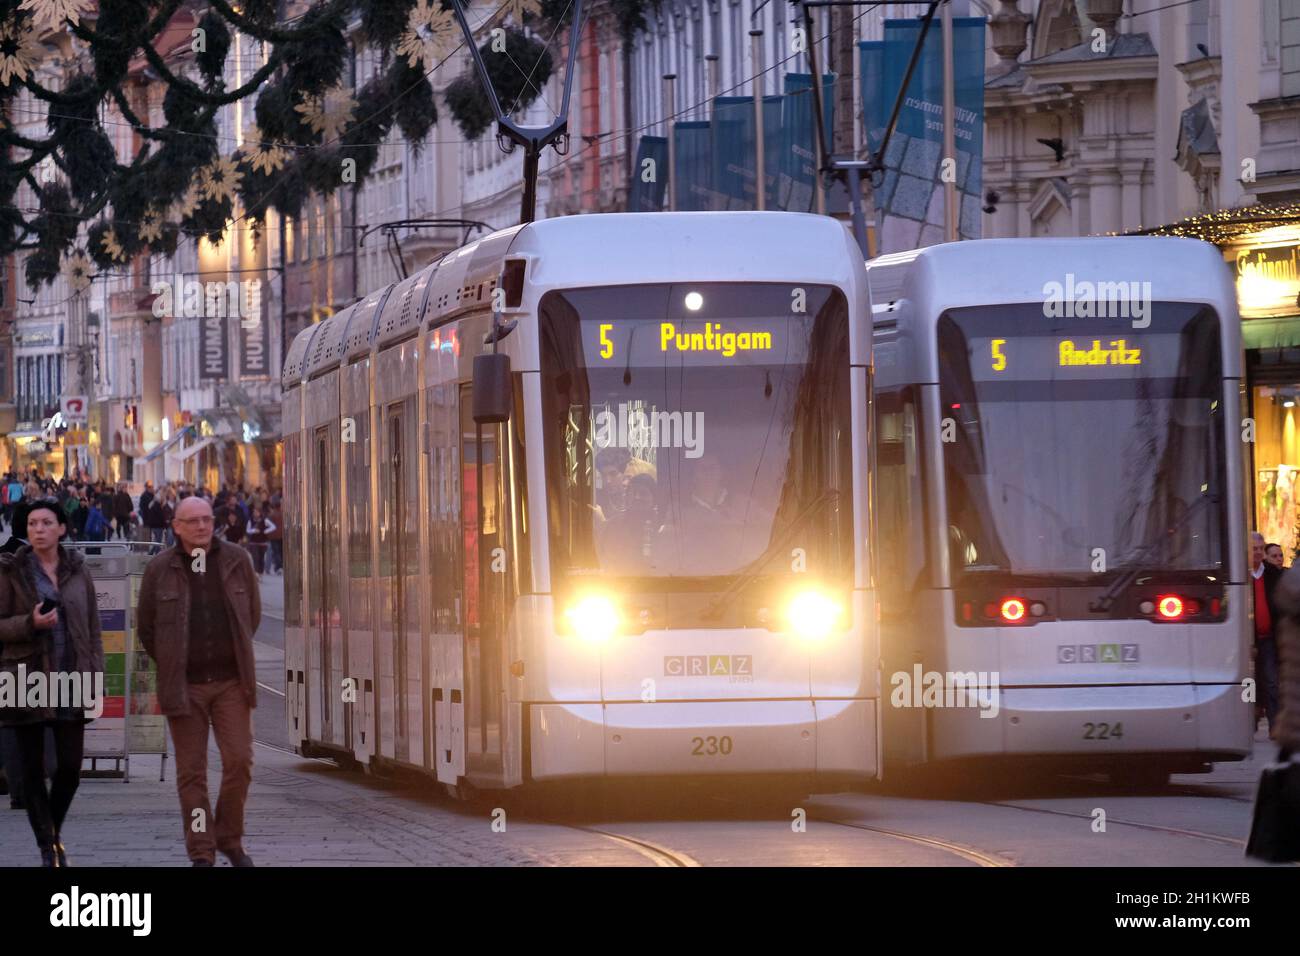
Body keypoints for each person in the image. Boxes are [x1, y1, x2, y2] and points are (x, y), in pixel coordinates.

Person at [137, 496, 261, 867]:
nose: (202, 527)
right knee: (192, 775)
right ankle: (202, 851)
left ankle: (228, 836)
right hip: (185, 687)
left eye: (207, 519)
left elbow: (250, 616)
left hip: (230, 683)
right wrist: (175, 662)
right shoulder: (160, 569)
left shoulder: (238, 560)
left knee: (239, 760)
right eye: (193, 521)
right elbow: (147, 629)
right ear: (176, 526)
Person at [0, 499, 104, 866]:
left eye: (46, 522)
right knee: (31, 770)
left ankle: (52, 834)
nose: (38, 529)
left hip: (71, 675)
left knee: (70, 769)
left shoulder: (79, 570)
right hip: (25, 676)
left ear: (62, 528)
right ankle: (48, 848)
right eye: (32, 523)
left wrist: (97, 677)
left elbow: (92, 628)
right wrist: (29, 623)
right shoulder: (10, 570)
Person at [1252, 531, 1283, 739]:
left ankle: (1275, 726)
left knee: (1272, 681)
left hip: (1270, 638)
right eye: (1253, 549)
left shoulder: (1273, 573)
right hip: (1247, 639)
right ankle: (1249, 723)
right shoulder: (1241, 575)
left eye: (1259, 549)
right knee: (1249, 683)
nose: (1257, 553)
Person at [245, 505, 275, 576]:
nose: (255, 513)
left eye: (257, 512)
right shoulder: (250, 520)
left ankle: (260, 572)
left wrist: (266, 531)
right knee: (255, 557)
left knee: (261, 558)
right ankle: (256, 572)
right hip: (253, 542)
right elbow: (247, 530)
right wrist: (253, 530)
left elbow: (273, 527)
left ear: (260, 513)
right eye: (254, 512)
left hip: (263, 542)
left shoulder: (265, 520)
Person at [266, 495, 284, 575]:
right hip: (282, 535)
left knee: (276, 552)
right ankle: (280, 566)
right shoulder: (283, 514)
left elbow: (267, 525)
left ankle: (278, 567)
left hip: (273, 536)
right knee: (280, 551)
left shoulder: (271, 515)